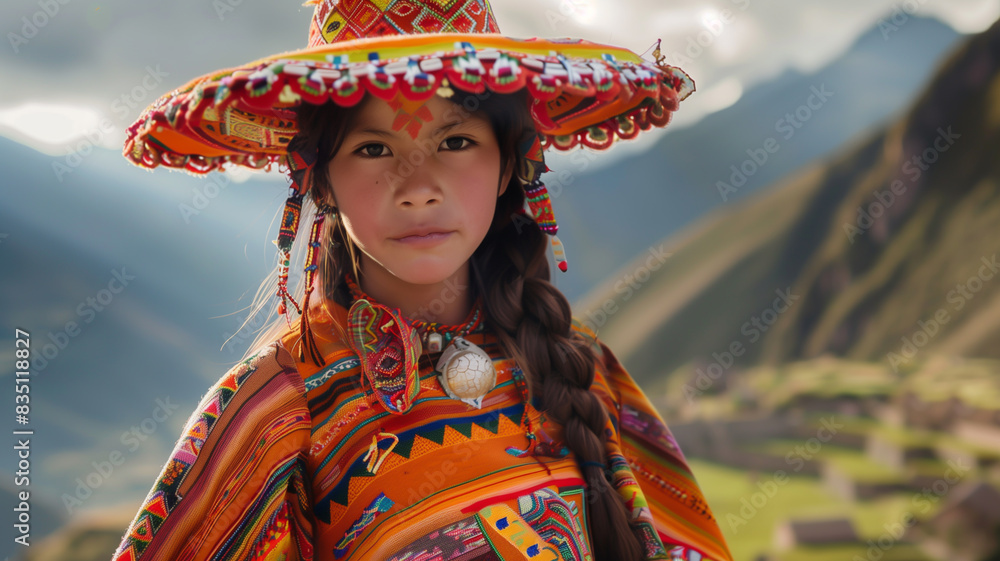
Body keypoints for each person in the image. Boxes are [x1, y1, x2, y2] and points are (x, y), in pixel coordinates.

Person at [111, 1, 732, 560]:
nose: (417, 189)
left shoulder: (584, 370)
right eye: (373, 150)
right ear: (320, 181)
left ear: (510, 164)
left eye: (455, 140)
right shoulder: (277, 412)